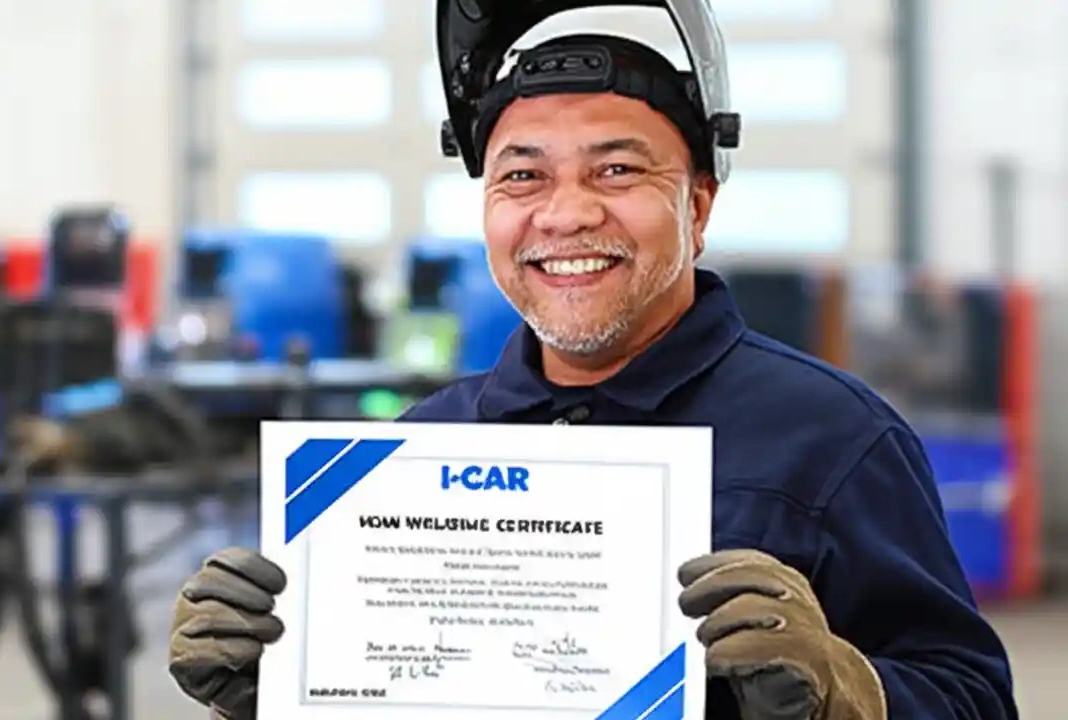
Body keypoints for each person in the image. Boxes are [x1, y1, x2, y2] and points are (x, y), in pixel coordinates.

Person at [167, 2, 1018, 718]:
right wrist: (277, 688)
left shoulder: (835, 439)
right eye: (522, 178)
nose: (566, 215)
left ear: (698, 204)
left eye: (615, 169)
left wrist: (849, 688)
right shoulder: (412, 453)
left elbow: (972, 695)